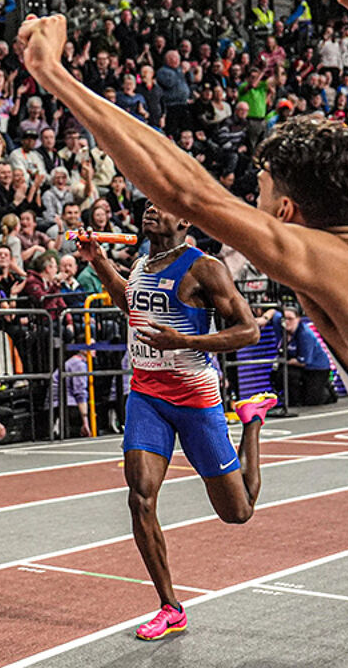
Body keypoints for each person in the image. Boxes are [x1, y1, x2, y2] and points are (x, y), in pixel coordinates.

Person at [21, 0, 348, 652]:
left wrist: (55, 76)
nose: (253, 198)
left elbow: (187, 193)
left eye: (262, 186)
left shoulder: (336, 277)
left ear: (285, 211)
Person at [72, 200, 274, 639]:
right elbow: (130, 305)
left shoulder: (205, 269)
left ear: (184, 219)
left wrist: (183, 340)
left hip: (195, 398)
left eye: (160, 206)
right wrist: (99, 261)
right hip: (147, 395)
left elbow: (249, 330)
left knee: (238, 512)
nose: (150, 209)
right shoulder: (142, 264)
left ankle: (252, 420)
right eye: (147, 204)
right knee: (140, 498)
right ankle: (170, 606)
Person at [259, 305, 336, 407]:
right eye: (284, 319)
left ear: (298, 319)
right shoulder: (280, 323)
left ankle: (327, 389)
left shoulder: (305, 335)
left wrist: (282, 361)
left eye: (290, 319)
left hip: (316, 367)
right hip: (294, 363)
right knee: (284, 375)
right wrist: (264, 319)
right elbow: (273, 311)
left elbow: (303, 362)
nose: (286, 322)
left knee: (312, 400)